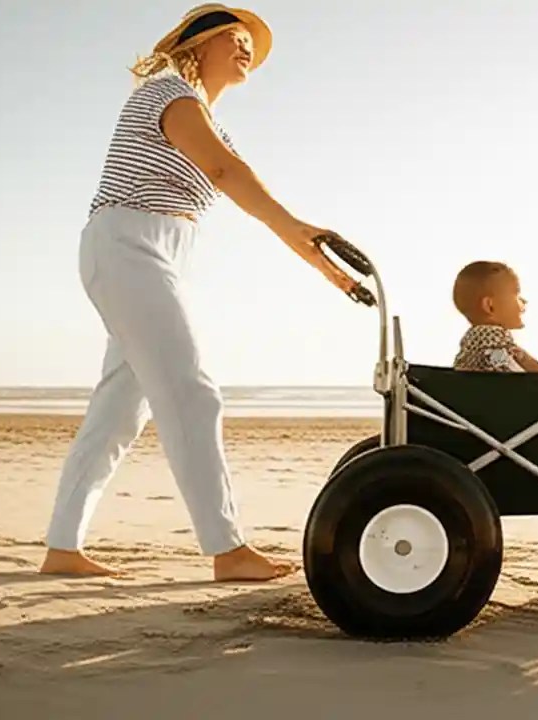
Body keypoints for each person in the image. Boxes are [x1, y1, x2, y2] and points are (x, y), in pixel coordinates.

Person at [40, 4, 366, 581]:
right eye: (236, 39)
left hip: (150, 253)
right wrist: (297, 232)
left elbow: (227, 170)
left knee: (118, 412)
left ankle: (62, 549)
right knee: (193, 392)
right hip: (129, 245)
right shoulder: (171, 92)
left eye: (251, 45)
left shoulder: (205, 115)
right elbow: (225, 173)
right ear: (201, 42)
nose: (247, 51)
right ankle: (227, 548)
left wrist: (313, 256)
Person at [451, 261, 538, 372]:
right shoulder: (495, 346)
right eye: (516, 295)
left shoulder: (469, 348)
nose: (524, 301)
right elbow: (512, 373)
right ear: (490, 306)